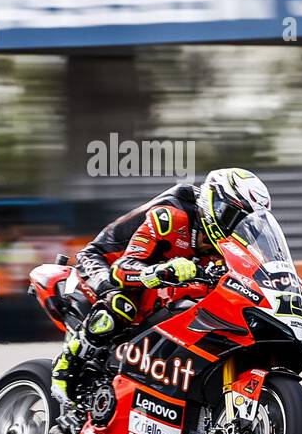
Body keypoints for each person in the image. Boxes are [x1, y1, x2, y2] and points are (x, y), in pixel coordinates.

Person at [51, 167, 272, 407]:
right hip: (103, 261)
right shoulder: (170, 216)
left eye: (246, 223)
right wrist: (161, 271)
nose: (237, 228)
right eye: (234, 217)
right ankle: (66, 366)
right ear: (215, 205)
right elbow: (122, 269)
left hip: (155, 282)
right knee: (120, 303)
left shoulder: (227, 247)